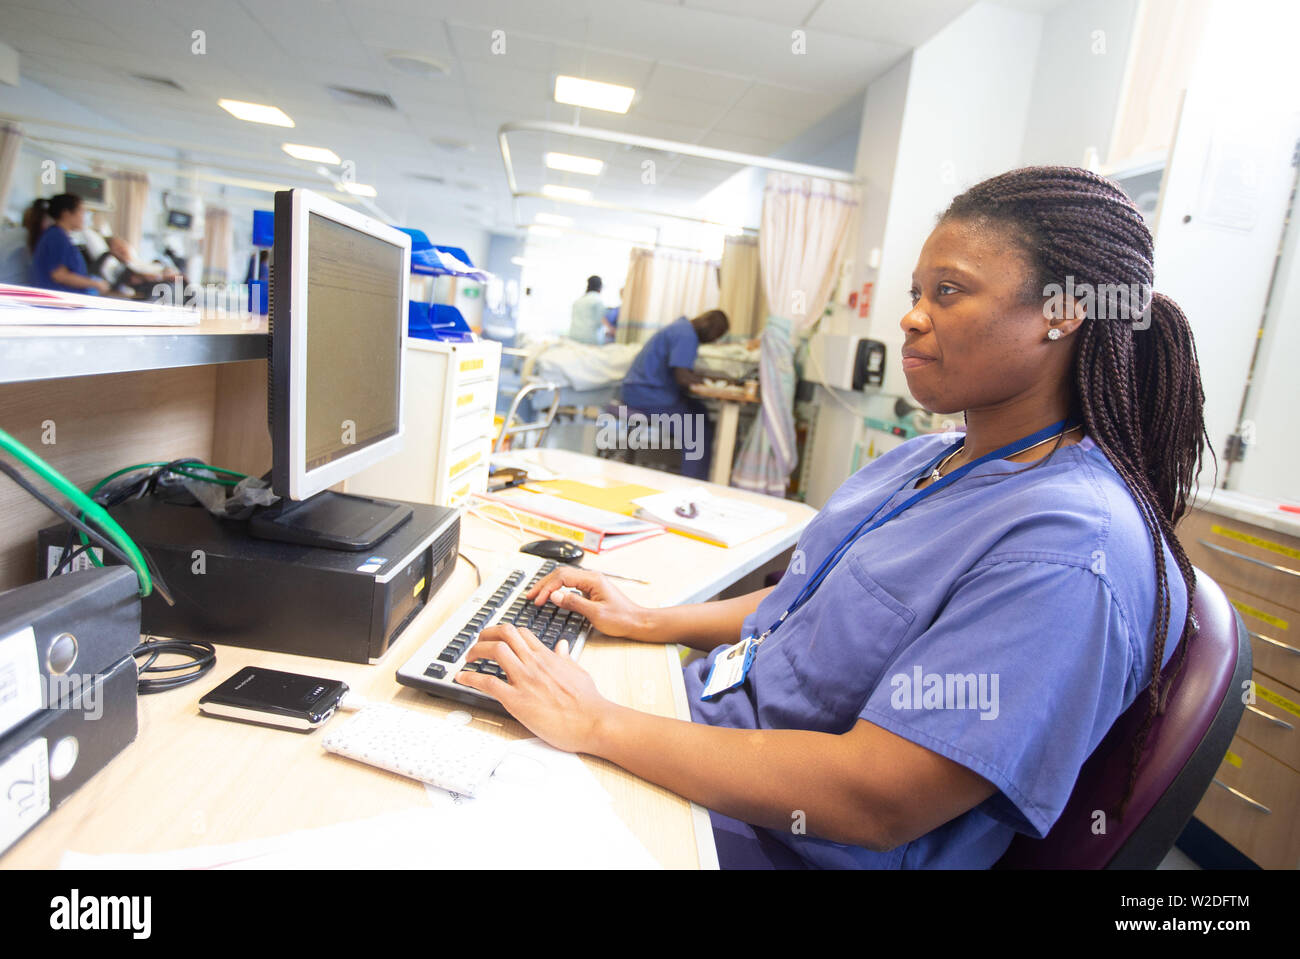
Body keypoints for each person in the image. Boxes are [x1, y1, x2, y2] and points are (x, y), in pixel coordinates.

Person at [454, 166, 1207, 869]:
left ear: (1063, 312)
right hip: (707, 728)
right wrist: (652, 620)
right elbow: (813, 605)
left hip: (777, 837)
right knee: (451, 717)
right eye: (917, 289)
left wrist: (599, 724)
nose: (910, 318)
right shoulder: (933, 458)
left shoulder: (1070, 551)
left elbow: (874, 797)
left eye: (948, 291)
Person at [621, 309, 739, 480]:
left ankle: (697, 472)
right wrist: (709, 382)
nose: (713, 341)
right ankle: (692, 483)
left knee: (700, 411)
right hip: (645, 394)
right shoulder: (686, 336)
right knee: (697, 430)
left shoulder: (682, 328)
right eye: (716, 336)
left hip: (645, 390)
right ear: (712, 330)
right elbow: (682, 377)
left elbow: (681, 373)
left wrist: (705, 379)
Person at [26, 194, 109, 295]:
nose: (84, 216)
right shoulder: (56, 237)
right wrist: (95, 283)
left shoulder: (59, 236)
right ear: (66, 214)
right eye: (81, 211)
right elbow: (59, 275)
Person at [568, 275, 611, 344]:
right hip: (590, 339)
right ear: (600, 288)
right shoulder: (598, 301)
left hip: (573, 337)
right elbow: (601, 321)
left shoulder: (578, 301)